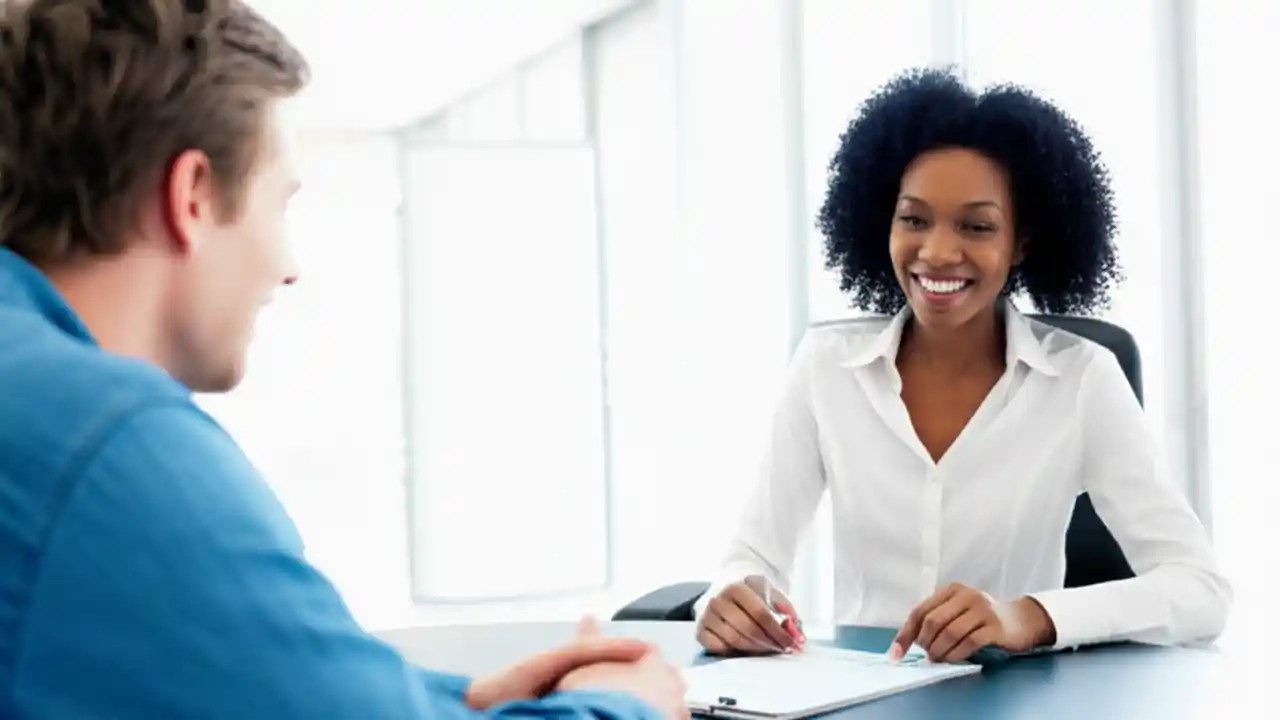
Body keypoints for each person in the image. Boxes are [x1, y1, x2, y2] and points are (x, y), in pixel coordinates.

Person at [0, 1, 686, 717]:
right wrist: (623, 706)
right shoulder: (109, 443)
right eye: (280, 203)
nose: (289, 266)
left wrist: (461, 700)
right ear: (193, 196)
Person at [693, 68, 1231, 663]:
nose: (939, 252)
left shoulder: (1081, 379)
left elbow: (1199, 591)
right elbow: (753, 559)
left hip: (1016, 697)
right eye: (914, 219)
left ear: (1022, 242)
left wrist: (1026, 616)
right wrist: (730, 598)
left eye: (976, 226)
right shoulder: (826, 367)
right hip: (859, 697)